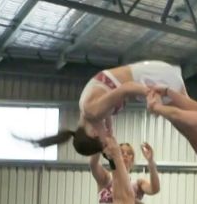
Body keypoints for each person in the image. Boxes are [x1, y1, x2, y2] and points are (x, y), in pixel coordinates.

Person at [29, 61, 188, 158]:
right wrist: (110, 128)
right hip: (145, 74)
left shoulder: (93, 111)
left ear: (94, 134)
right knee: (187, 120)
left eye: (103, 140)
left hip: (149, 76)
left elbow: (127, 88)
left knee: (186, 120)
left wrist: (152, 95)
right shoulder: (89, 113)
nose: (107, 136)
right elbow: (107, 108)